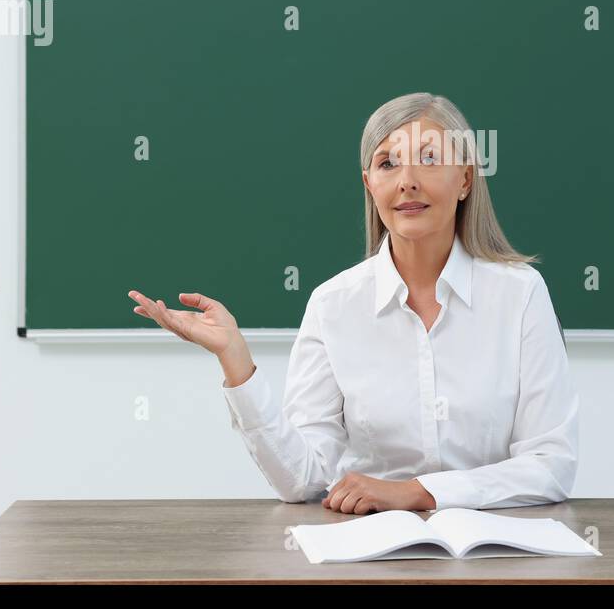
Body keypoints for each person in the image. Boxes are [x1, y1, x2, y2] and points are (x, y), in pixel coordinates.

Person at [128, 92, 579, 514]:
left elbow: (550, 464)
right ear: (369, 183)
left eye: (428, 159)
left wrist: (416, 493)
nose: (407, 182)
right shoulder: (333, 305)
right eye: (388, 163)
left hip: (497, 558)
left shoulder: (521, 294)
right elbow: (302, 478)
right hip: (372, 557)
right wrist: (236, 361)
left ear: (465, 179)